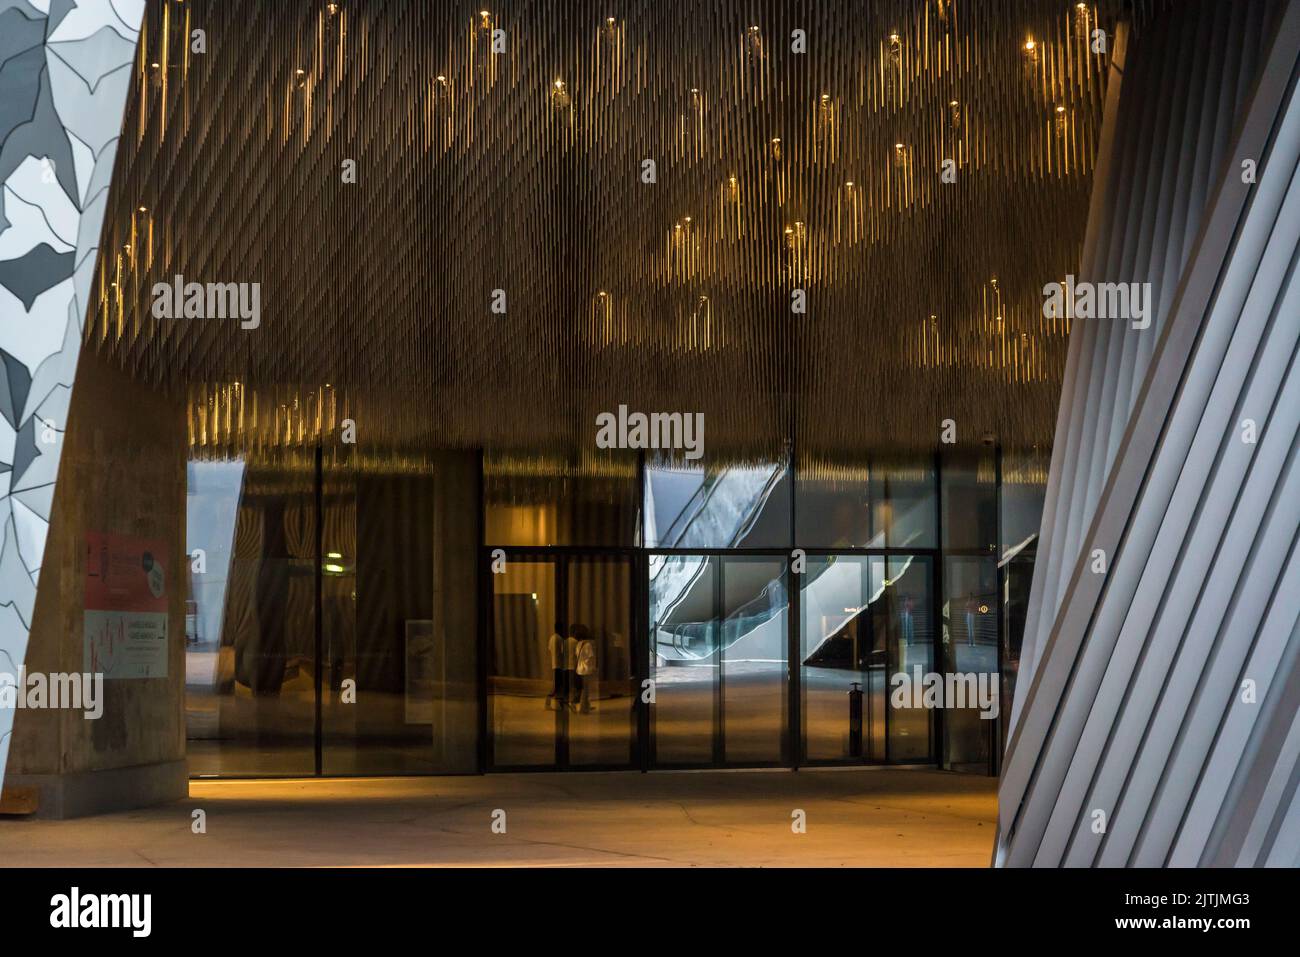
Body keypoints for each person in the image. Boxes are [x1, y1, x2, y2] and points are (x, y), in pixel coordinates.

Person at [575, 629, 597, 713]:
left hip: (579, 669)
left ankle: (586, 706)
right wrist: (593, 667)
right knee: (586, 689)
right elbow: (591, 657)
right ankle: (583, 708)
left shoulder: (578, 644)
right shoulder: (588, 645)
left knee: (583, 688)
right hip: (586, 669)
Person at [546, 622, 566, 710]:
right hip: (559, 665)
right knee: (557, 686)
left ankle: (552, 704)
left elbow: (549, 650)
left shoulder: (551, 638)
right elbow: (563, 652)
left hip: (554, 664)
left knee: (556, 685)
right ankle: (549, 704)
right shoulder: (560, 639)